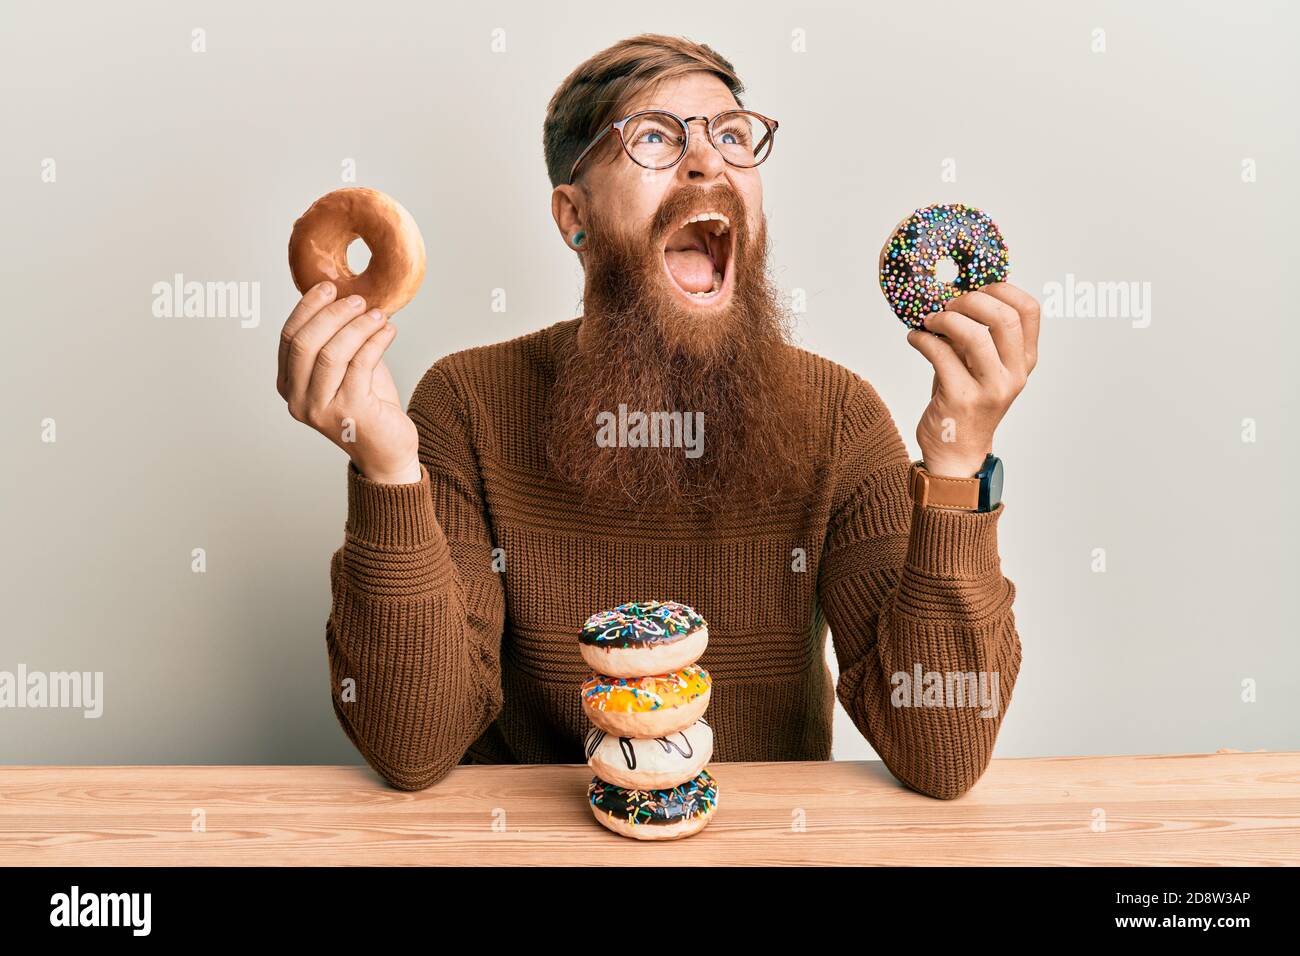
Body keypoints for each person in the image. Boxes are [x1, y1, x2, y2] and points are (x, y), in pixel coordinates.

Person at [275, 34, 1040, 798]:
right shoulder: (468, 405)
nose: (707, 163)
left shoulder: (841, 418)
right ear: (574, 217)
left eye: (734, 137)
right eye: (653, 138)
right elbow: (411, 746)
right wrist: (387, 473)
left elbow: (940, 755)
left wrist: (957, 464)